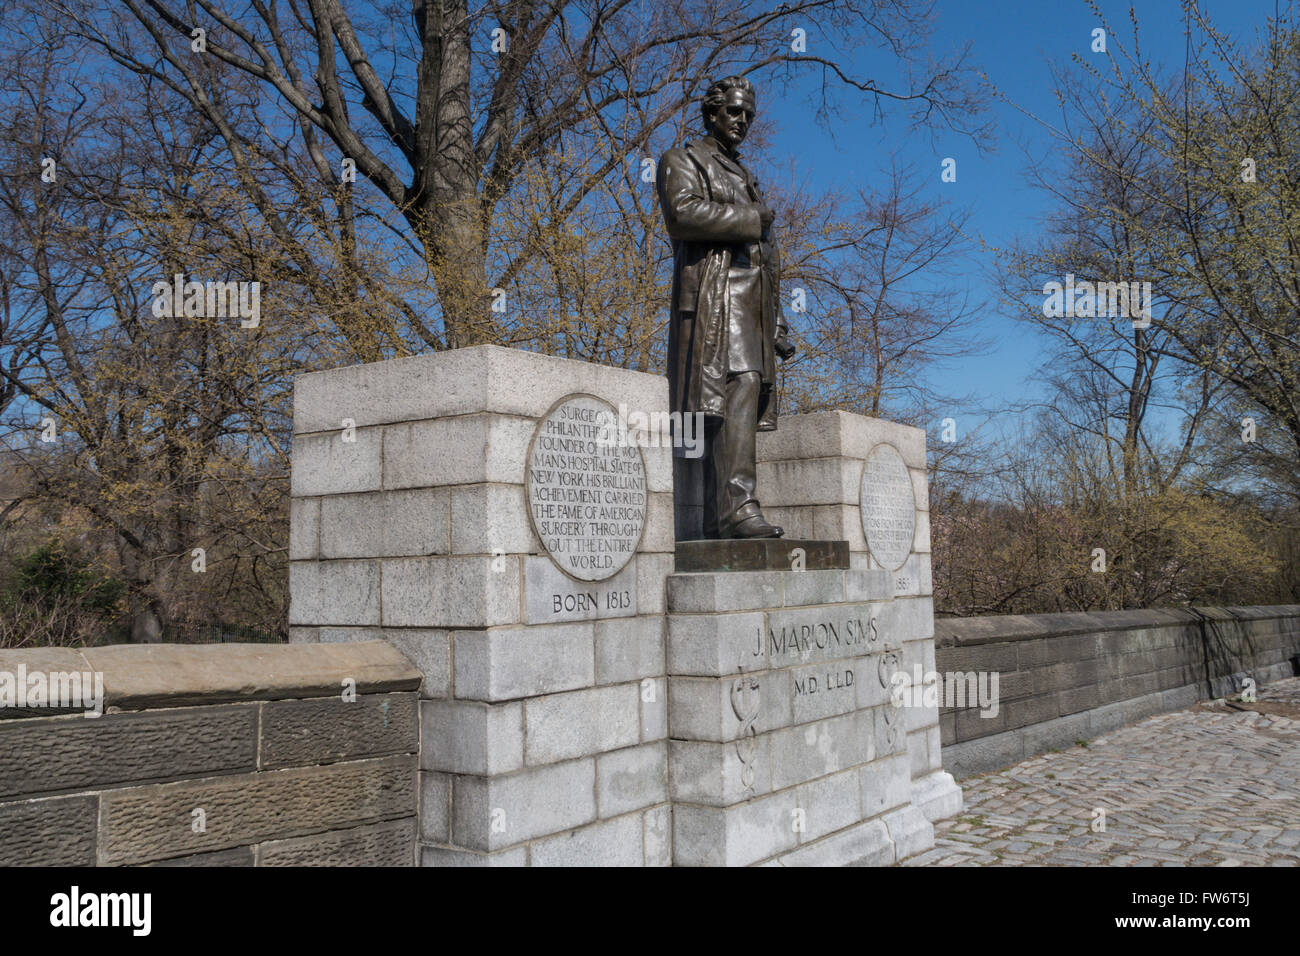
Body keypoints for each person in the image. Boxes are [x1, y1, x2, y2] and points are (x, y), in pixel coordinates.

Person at [657, 75, 796, 539]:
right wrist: (752, 220)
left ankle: (735, 509)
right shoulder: (683, 160)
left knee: (748, 391)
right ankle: (736, 510)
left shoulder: (744, 175)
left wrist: (776, 321)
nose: (742, 122)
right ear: (712, 112)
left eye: (749, 116)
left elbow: (766, 260)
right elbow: (682, 215)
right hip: (717, 301)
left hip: (751, 306)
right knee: (734, 390)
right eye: (734, 112)